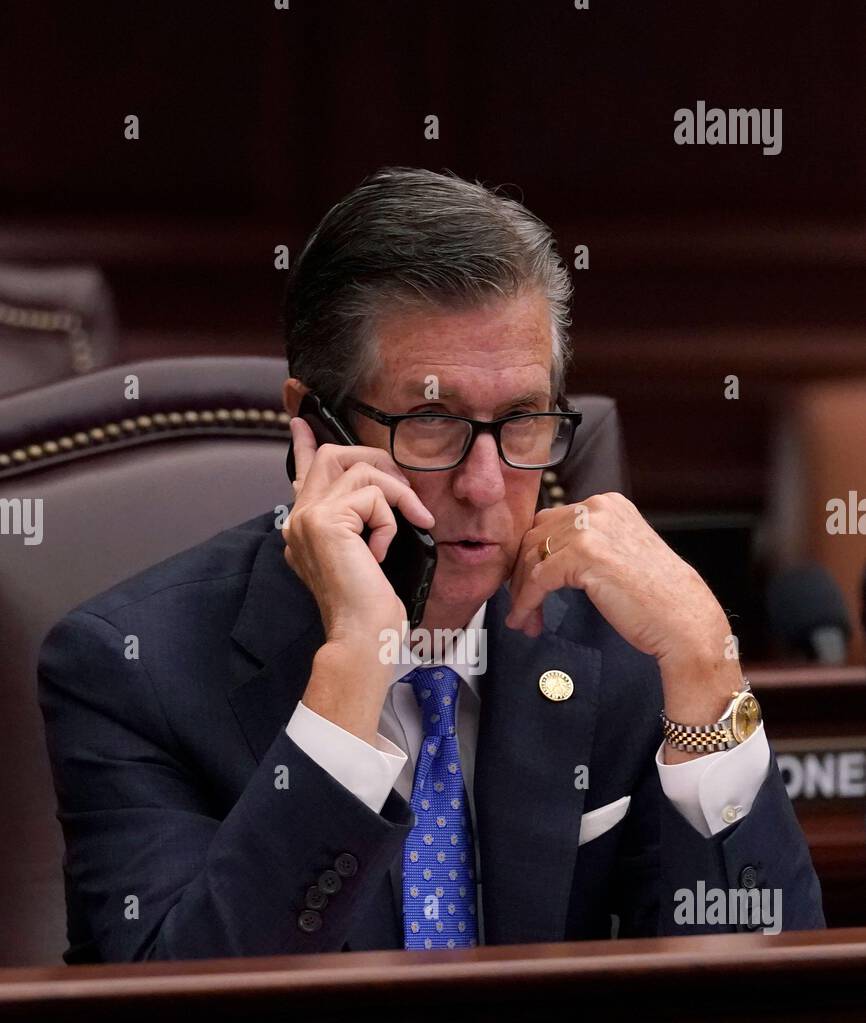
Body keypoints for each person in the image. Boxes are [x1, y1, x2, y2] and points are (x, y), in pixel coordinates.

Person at [38, 167, 824, 962]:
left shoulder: (623, 644)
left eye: (521, 422)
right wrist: (354, 665)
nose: (485, 485)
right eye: (431, 422)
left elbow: (763, 1014)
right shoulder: (131, 672)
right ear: (313, 426)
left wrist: (706, 668)